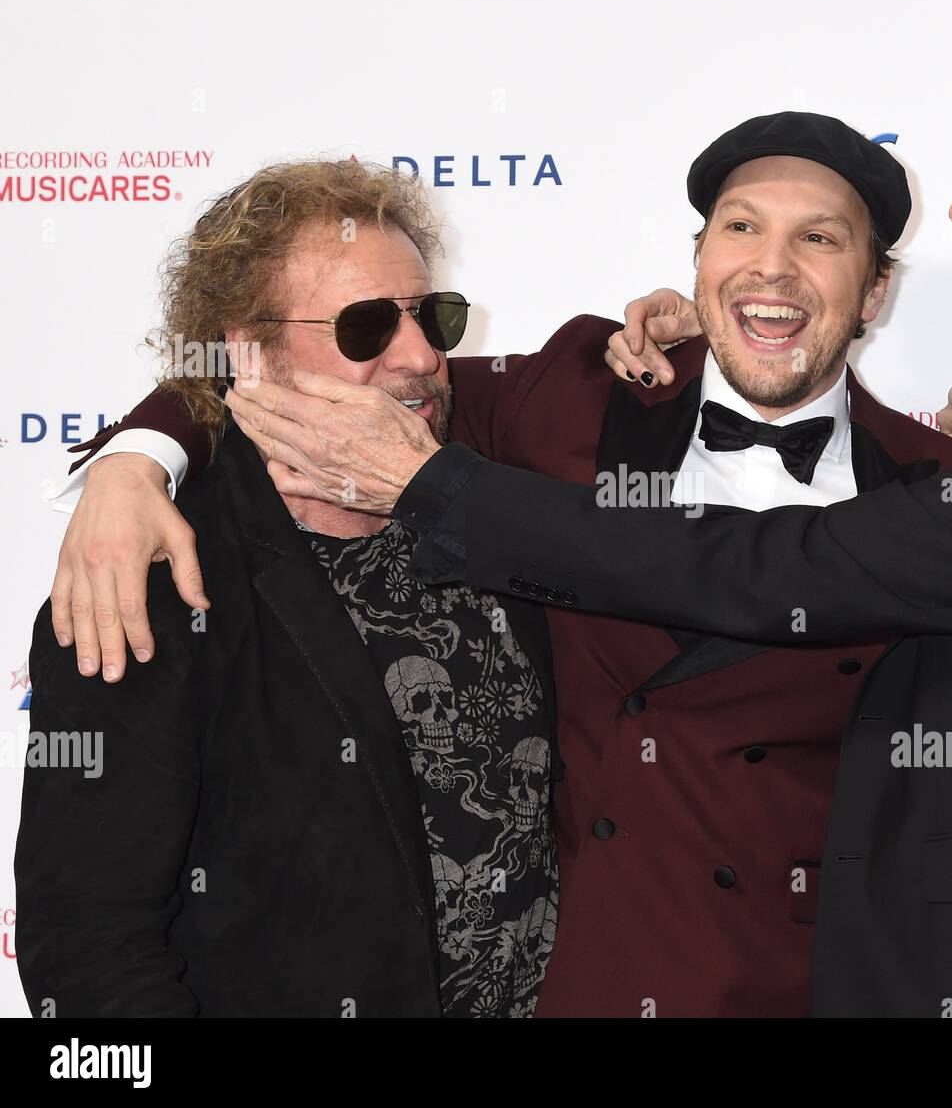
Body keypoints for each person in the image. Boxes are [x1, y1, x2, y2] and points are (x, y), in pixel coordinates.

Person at [214, 6, 952, 1015]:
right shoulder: (580, 391)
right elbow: (315, 361)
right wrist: (140, 451)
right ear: (696, 256)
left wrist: (431, 486)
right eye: (738, 227)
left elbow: (787, 570)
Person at [17, 160, 558, 1017]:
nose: (420, 358)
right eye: (367, 327)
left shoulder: (488, 507)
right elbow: (88, 953)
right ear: (249, 351)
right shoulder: (149, 587)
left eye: (432, 318)